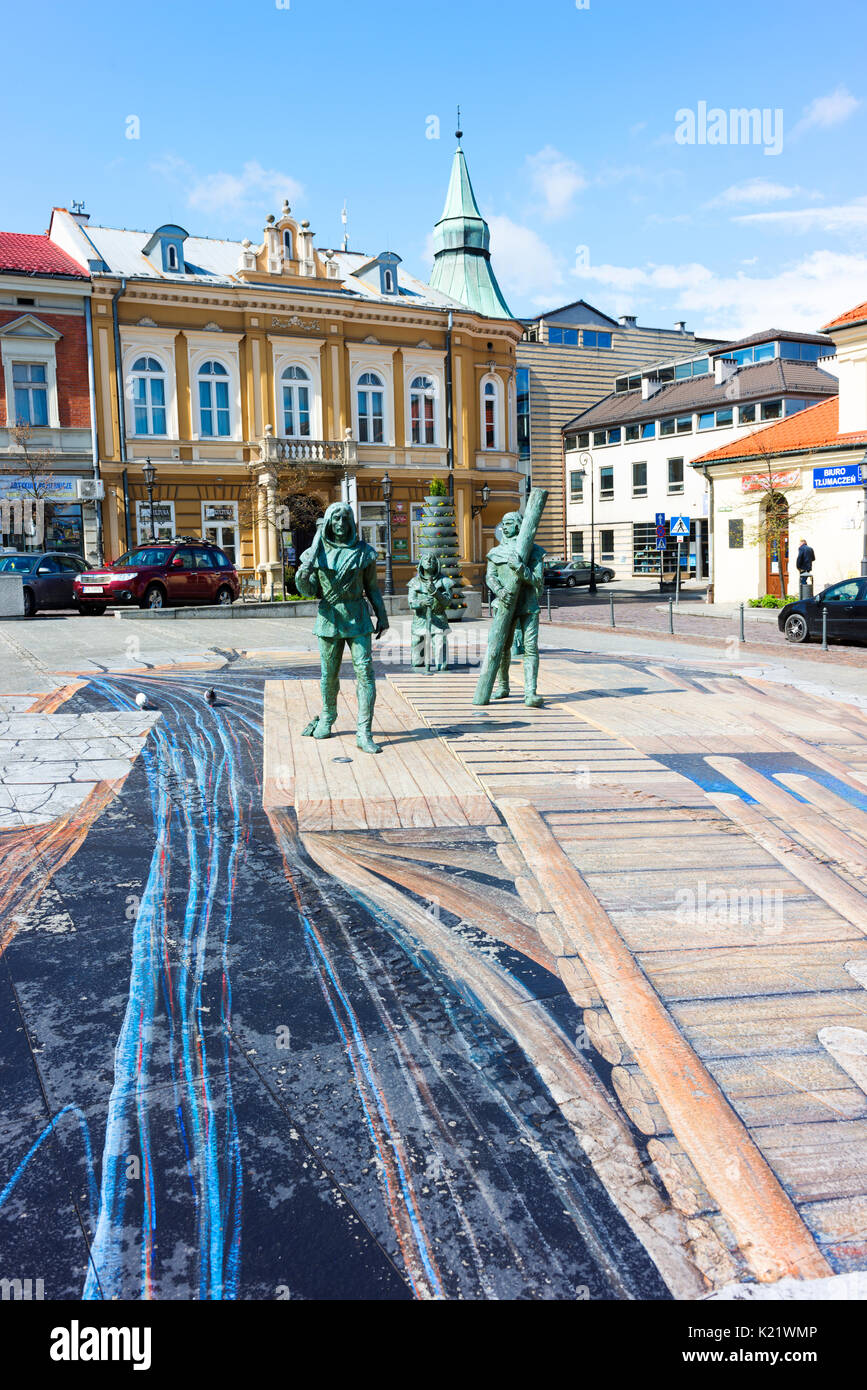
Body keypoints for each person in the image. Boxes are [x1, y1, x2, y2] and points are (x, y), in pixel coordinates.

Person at [295, 502, 389, 753]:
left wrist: (382, 615)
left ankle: (364, 731)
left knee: (365, 673)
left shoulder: (363, 552)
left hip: (358, 617)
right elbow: (308, 591)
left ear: (351, 524)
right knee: (329, 675)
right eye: (335, 520)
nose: (340, 524)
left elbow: (372, 589)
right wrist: (303, 572)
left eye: (344, 520)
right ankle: (327, 716)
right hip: (328, 617)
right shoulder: (316, 553)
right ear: (328, 523)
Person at [485, 511, 546, 707]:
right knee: (502, 647)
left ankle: (530, 693)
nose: (505, 527)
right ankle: (503, 686)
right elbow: (490, 577)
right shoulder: (495, 553)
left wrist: (520, 567)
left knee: (530, 648)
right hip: (505, 604)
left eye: (509, 523)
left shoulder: (534, 552)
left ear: (519, 526)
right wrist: (499, 590)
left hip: (528, 605)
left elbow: (538, 582)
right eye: (503, 523)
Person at [407, 553, 453, 670]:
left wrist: (435, 592)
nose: (429, 561)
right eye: (426, 559)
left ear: (436, 564)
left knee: (441, 659)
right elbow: (411, 602)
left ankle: (440, 666)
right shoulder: (414, 582)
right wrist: (421, 603)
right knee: (417, 660)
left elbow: (447, 602)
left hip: (438, 619)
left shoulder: (445, 581)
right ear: (421, 563)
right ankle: (420, 662)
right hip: (421, 619)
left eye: (432, 560)